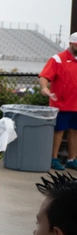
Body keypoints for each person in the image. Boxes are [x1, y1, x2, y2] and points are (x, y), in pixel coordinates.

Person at [39, 33, 77, 170]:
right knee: (58, 131)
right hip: (61, 105)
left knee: (75, 131)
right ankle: (53, 158)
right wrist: (44, 88)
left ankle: (72, 159)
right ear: (71, 44)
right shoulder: (57, 59)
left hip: (76, 105)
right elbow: (45, 75)